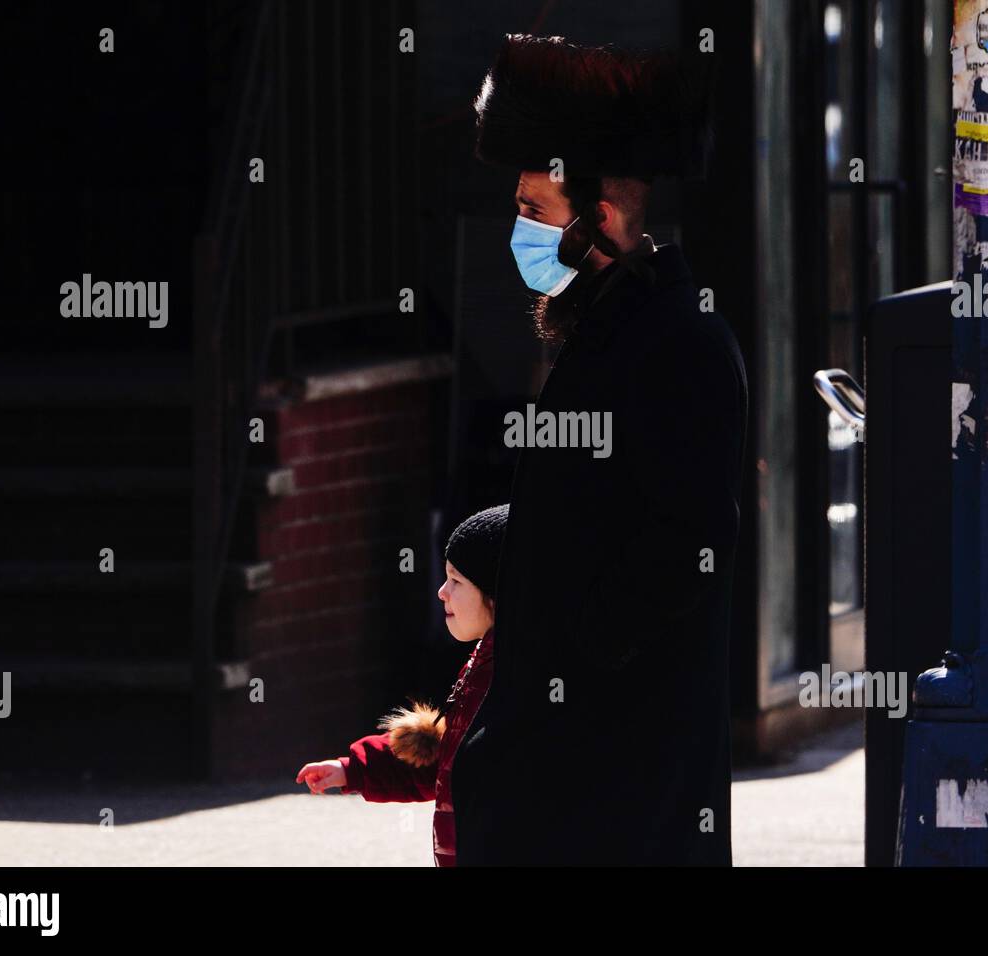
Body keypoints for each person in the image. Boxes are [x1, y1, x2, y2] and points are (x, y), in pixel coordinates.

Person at [451, 34, 749, 865]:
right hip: (567, 774)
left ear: (603, 221)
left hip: (615, 784)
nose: (520, 232)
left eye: (536, 212)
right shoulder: (608, 333)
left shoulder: (679, 342)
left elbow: (682, 545)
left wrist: (579, 659)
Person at [295, 504, 508, 867]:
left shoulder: (516, 678)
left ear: (497, 593)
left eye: (456, 580)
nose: (442, 592)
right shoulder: (482, 665)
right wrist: (353, 769)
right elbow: (442, 762)